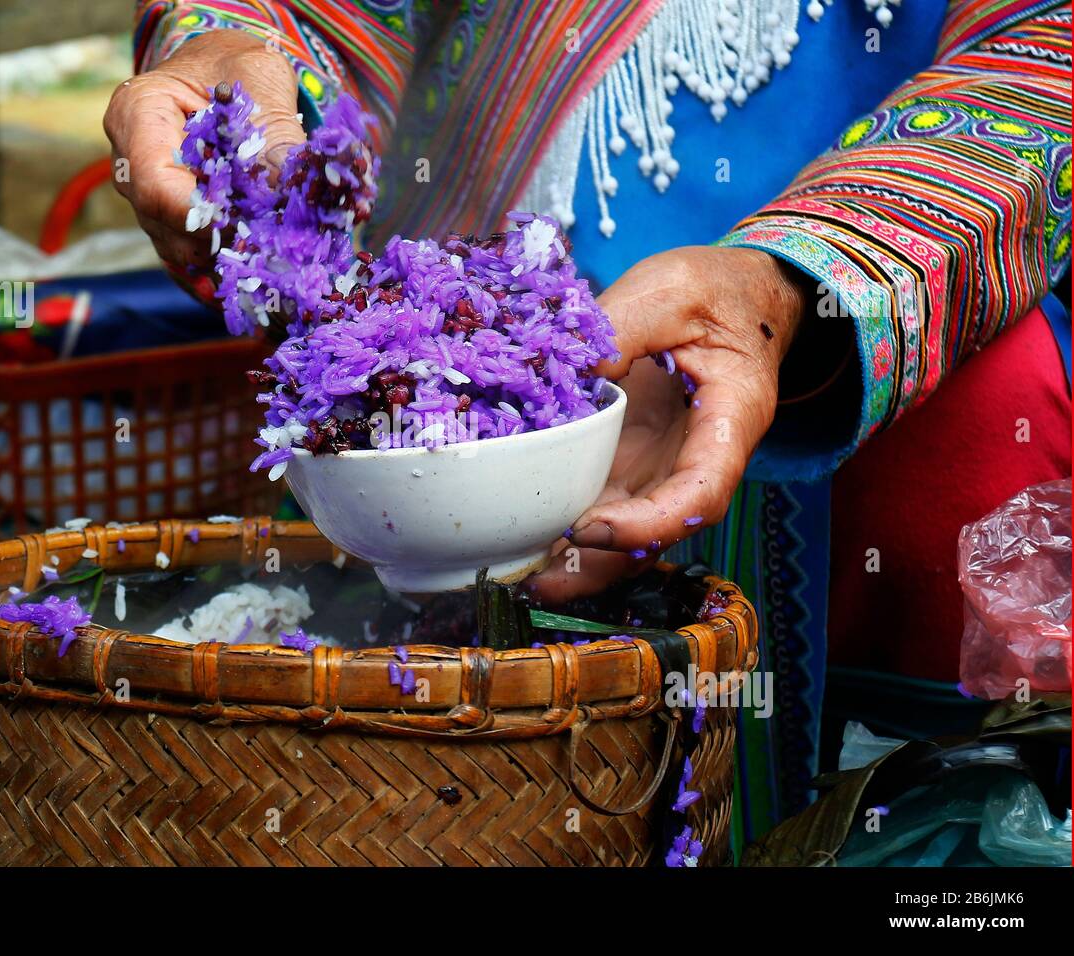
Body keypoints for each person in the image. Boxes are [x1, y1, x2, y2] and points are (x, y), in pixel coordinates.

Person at [106, 0, 1071, 838]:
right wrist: (238, 52)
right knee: (416, 779)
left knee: (882, 816)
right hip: (438, 385)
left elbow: (1043, 62)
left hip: (863, 347)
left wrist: (794, 284)